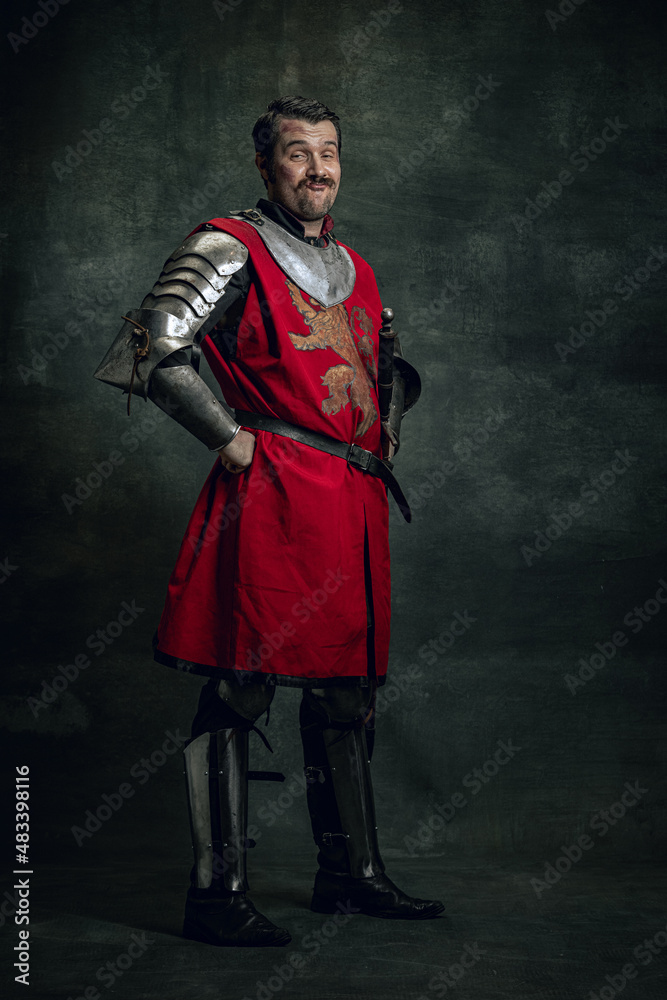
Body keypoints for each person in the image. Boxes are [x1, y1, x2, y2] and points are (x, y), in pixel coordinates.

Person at [94, 95, 443, 947]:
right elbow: (151, 346)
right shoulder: (229, 244)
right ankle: (216, 893)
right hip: (276, 488)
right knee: (240, 682)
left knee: (345, 693)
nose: (317, 168)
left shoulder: (355, 264)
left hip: (350, 500)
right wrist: (229, 438)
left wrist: (385, 430)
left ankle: (348, 876)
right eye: (297, 153)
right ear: (265, 165)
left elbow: (382, 362)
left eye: (328, 151)